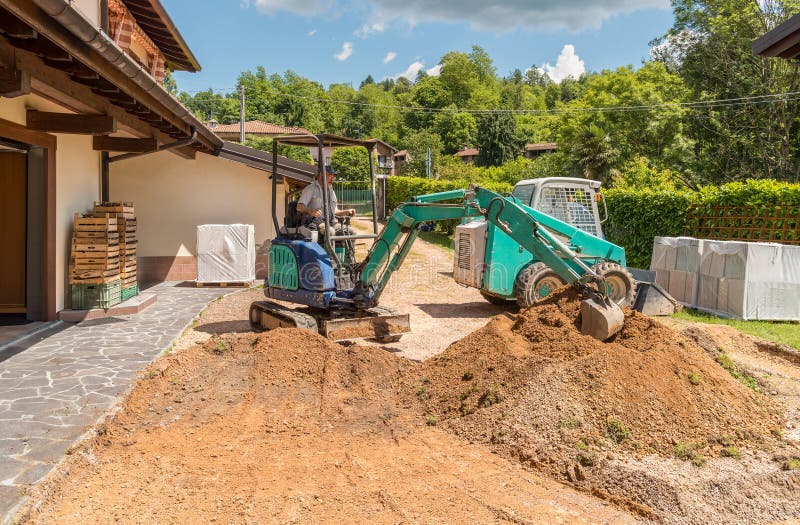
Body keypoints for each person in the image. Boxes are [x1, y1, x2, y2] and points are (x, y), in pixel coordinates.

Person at [296, 165, 356, 246]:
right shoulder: (311, 189)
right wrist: (311, 212)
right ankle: (329, 257)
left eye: (333, 176)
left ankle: (348, 258)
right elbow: (299, 206)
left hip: (331, 222)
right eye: (330, 175)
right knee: (330, 232)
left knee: (352, 232)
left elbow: (334, 211)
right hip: (316, 223)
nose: (333, 178)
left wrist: (346, 211)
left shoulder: (331, 191)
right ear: (321, 175)